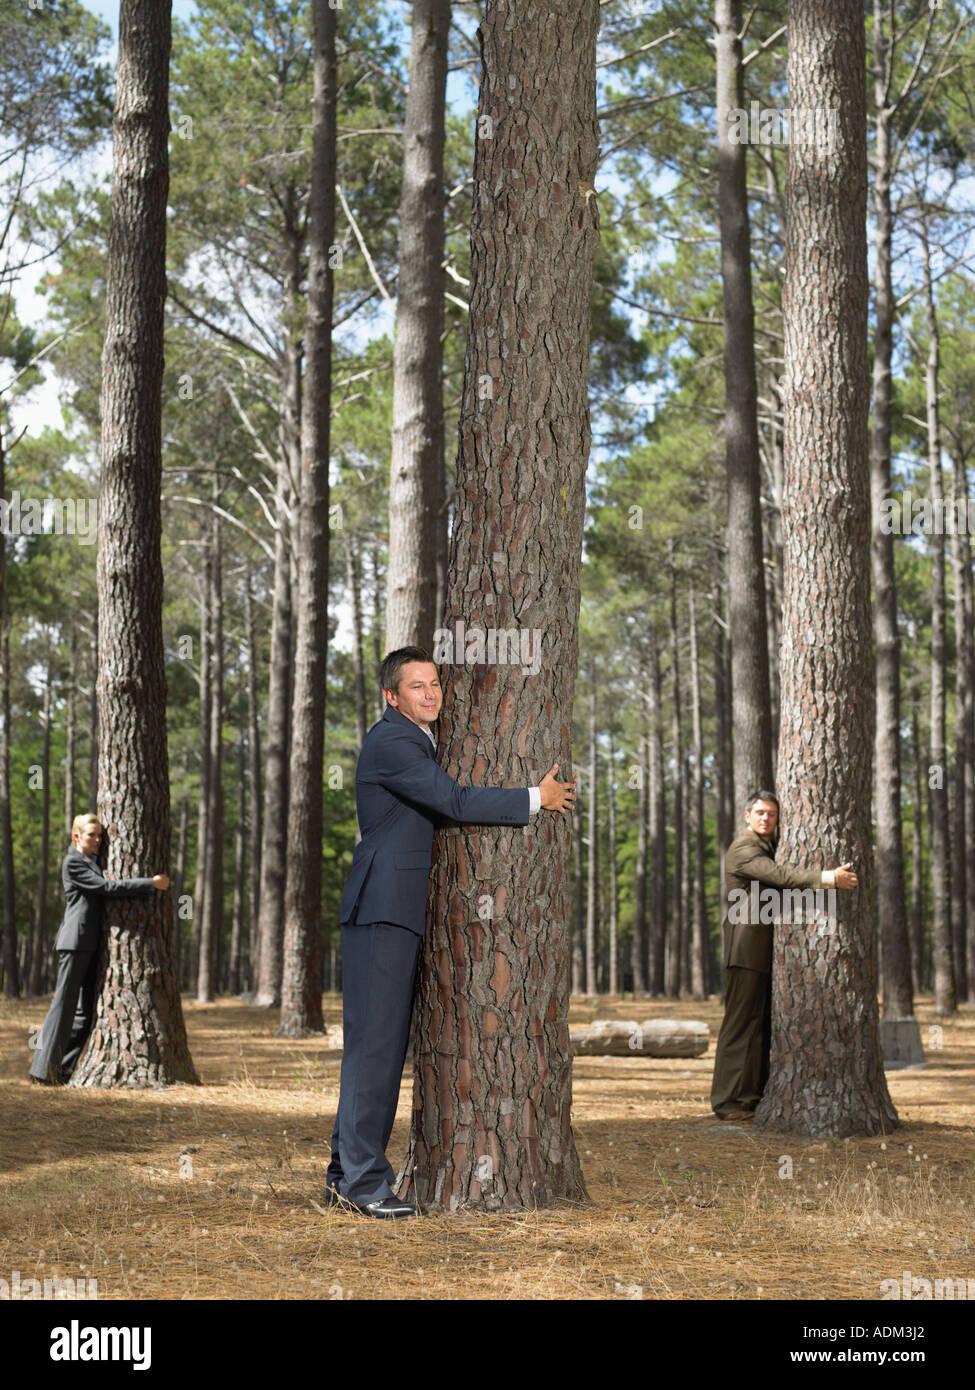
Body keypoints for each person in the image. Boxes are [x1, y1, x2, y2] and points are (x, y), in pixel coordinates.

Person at [325, 646, 576, 1218]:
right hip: (381, 910)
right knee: (377, 1050)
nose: (431, 693)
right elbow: (454, 802)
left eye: (434, 682)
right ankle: (363, 1184)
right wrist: (537, 797)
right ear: (393, 696)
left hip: (393, 911)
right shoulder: (393, 740)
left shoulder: (416, 738)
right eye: (417, 686)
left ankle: (345, 1173)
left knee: (377, 1049)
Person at [710, 790, 858, 1122]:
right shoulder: (744, 848)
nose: (765, 818)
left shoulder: (767, 847)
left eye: (772, 814)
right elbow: (780, 877)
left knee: (758, 1023)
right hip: (745, 950)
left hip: (760, 952)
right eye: (760, 813)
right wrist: (827, 878)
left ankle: (749, 1095)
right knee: (740, 1024)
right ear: (747, 816)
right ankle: (725, 1101)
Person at [29, 814, 170, 1086]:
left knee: (85, 1013)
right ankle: (41, 1071)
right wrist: (149, 884)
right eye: (91, 835)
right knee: (62, 1008)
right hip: (75, 942)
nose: (97, 840)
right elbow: (106, 887)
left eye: (99, 836)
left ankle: (62, 1071)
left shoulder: (93, 861)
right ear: (76, 836)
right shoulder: (73, 862)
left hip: (91, 944)